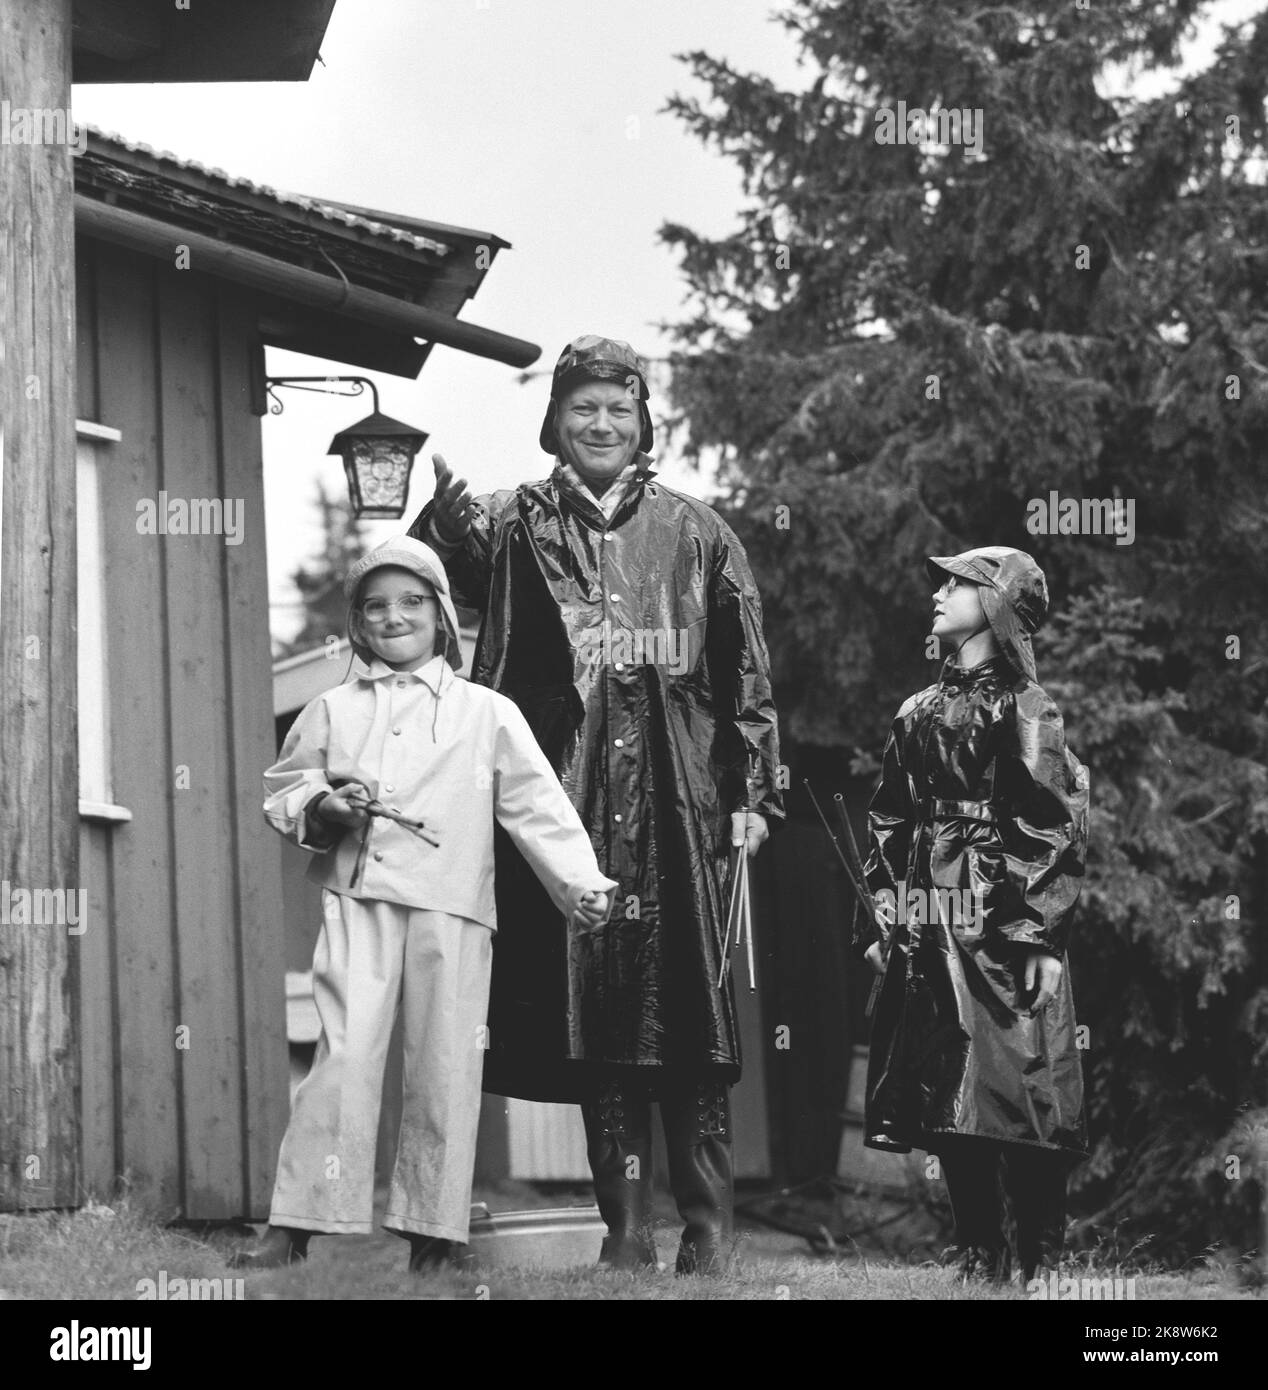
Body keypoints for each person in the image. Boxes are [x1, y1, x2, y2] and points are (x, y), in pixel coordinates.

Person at [408, 335, 783, 1273]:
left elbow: (747, 676)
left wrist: (755, 792)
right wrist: (438, 525)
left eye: (618, 407)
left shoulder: (700, 533)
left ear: (643, 418)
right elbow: (412, 583)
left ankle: (710, 1230)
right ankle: (625, 1233)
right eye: (583, 407)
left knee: (691, 1018)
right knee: (599, 1022)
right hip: (564, 808)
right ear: (556, 420)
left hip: (679, 802)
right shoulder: (509, 521)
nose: (601, 424)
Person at [233, 536, 617, 1273]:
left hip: (453, 908)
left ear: (442, 616)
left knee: (447, 1065)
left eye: (411, 601)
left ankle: (435, 1231)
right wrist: (326, 805)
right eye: (376, 605)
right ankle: (298, 1220)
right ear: (357, 624)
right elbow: (284, 789)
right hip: (361, 901)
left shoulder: (487, 712)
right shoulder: (332, 708)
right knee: (342, 1058)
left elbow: (538, 805)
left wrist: (580, 884)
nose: (394, 616)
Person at [856, 546, 1089, 1283]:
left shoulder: (1028, 705)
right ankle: (978, 1256)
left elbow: (1051, 824)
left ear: (996, 603)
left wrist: (1023, 926)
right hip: (930, 916)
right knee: (946, 1090)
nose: (940, 593)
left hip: (1005, 916)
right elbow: (889, 820)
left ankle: (1041, 1263)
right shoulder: (914, 711)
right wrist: (883, 913)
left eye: (959, 583)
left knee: (1026, 1092)